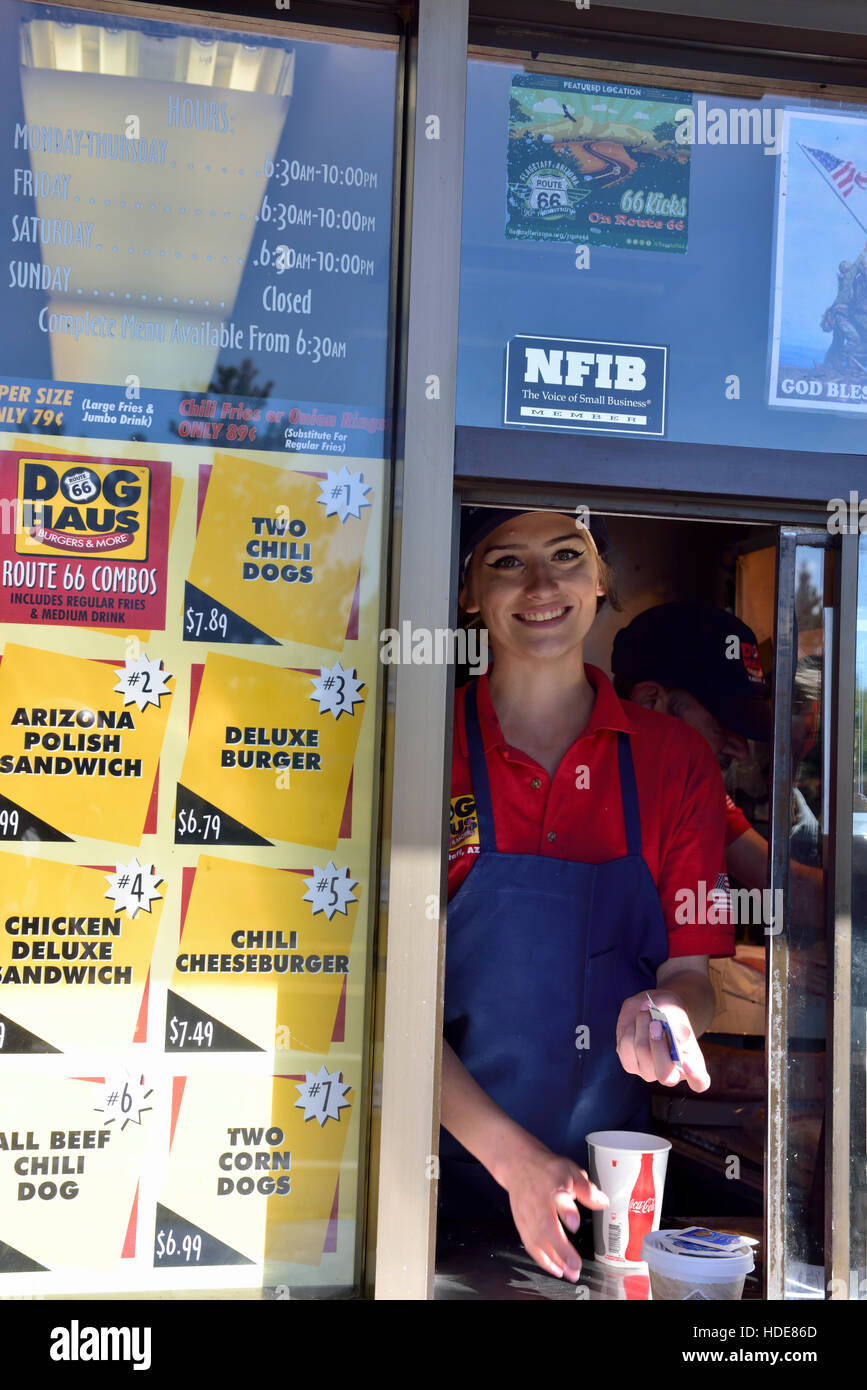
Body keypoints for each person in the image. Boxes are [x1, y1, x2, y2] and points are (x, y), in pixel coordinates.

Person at [441, 509, 734, 1284]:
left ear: (602, 580)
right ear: (470, 592)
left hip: (610, 1195)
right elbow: (379, 1000)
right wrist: (517, 1163)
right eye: (506, 561)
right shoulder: (420, 746)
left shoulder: (674, 761)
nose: (540, 585)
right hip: (422, 1185)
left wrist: (669, 1010)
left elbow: (694, 978)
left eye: (567, 556)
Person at [611, 603, 823, 924]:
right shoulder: (579, 787)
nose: (741, 751)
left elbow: (790, 890)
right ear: (651, 701)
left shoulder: (691, 793)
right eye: (723, 724)